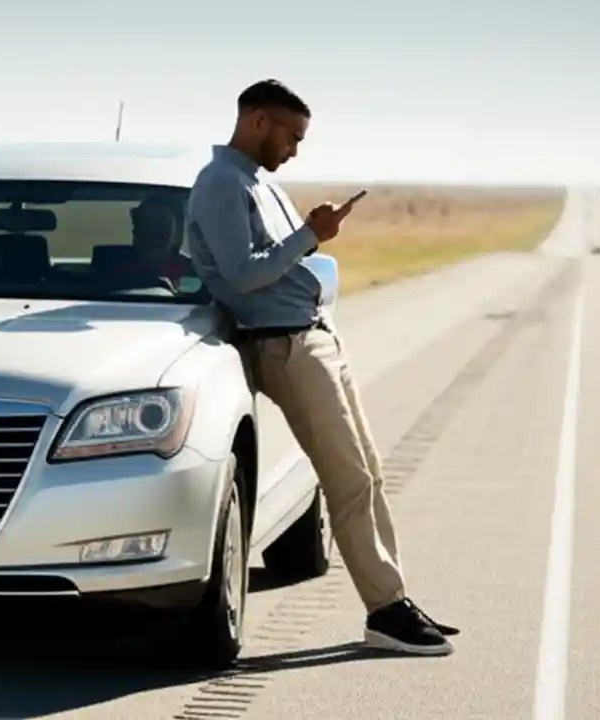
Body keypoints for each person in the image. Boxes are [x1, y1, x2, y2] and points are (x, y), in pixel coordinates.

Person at [185, 78, 459, 656]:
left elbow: (276, 263)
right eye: (292, 135)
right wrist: (312, 234)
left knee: (369, 472)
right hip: (283, 347)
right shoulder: (219, 185)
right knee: (346, 478)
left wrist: (310, 235)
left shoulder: (259, 183)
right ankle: (384, 611)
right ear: (257, 121)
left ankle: (396, 598)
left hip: (315, 337)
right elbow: (241, 274)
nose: (295, 149)